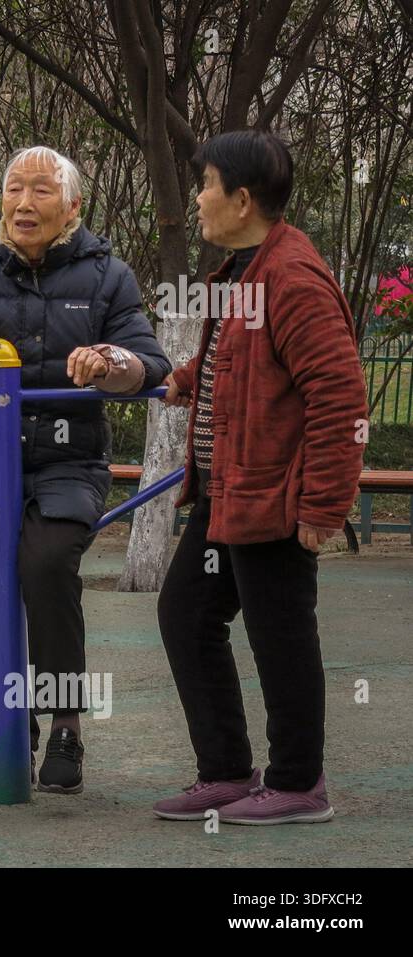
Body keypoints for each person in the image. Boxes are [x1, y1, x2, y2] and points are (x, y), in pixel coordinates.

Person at [0, 146, 171, 794]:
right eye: (15, 188)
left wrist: (108, 359)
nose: (24, 203)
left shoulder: (105, 276)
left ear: (72, 207)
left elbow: (147, 359)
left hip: (67, 461)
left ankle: (65, 719)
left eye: (42, 191)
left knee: (45, 564)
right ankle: (9, 721)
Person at [153, 130, 366, 825]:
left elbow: (339, 397)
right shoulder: (244, 270)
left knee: (280, 633)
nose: (200, 199)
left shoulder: (292, 278)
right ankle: (224, 771)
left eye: (207, 185)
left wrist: (324, 506)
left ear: (242, 200)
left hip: (274, 495)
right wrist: (184, 380)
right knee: (187, 614)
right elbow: (237, 360)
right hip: (227, 493)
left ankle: (299, 781)